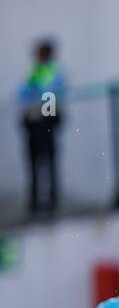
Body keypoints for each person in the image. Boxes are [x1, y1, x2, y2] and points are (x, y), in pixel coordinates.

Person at [17, 39, 65, 217]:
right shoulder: (36, 71)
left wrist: (43, 114)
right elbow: (22, 94)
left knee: (46, 162)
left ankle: (47, 201)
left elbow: (50, 94)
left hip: (43, 121)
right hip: (36, 121)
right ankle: (37, 201)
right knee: (36, 163)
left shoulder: (50, 72)